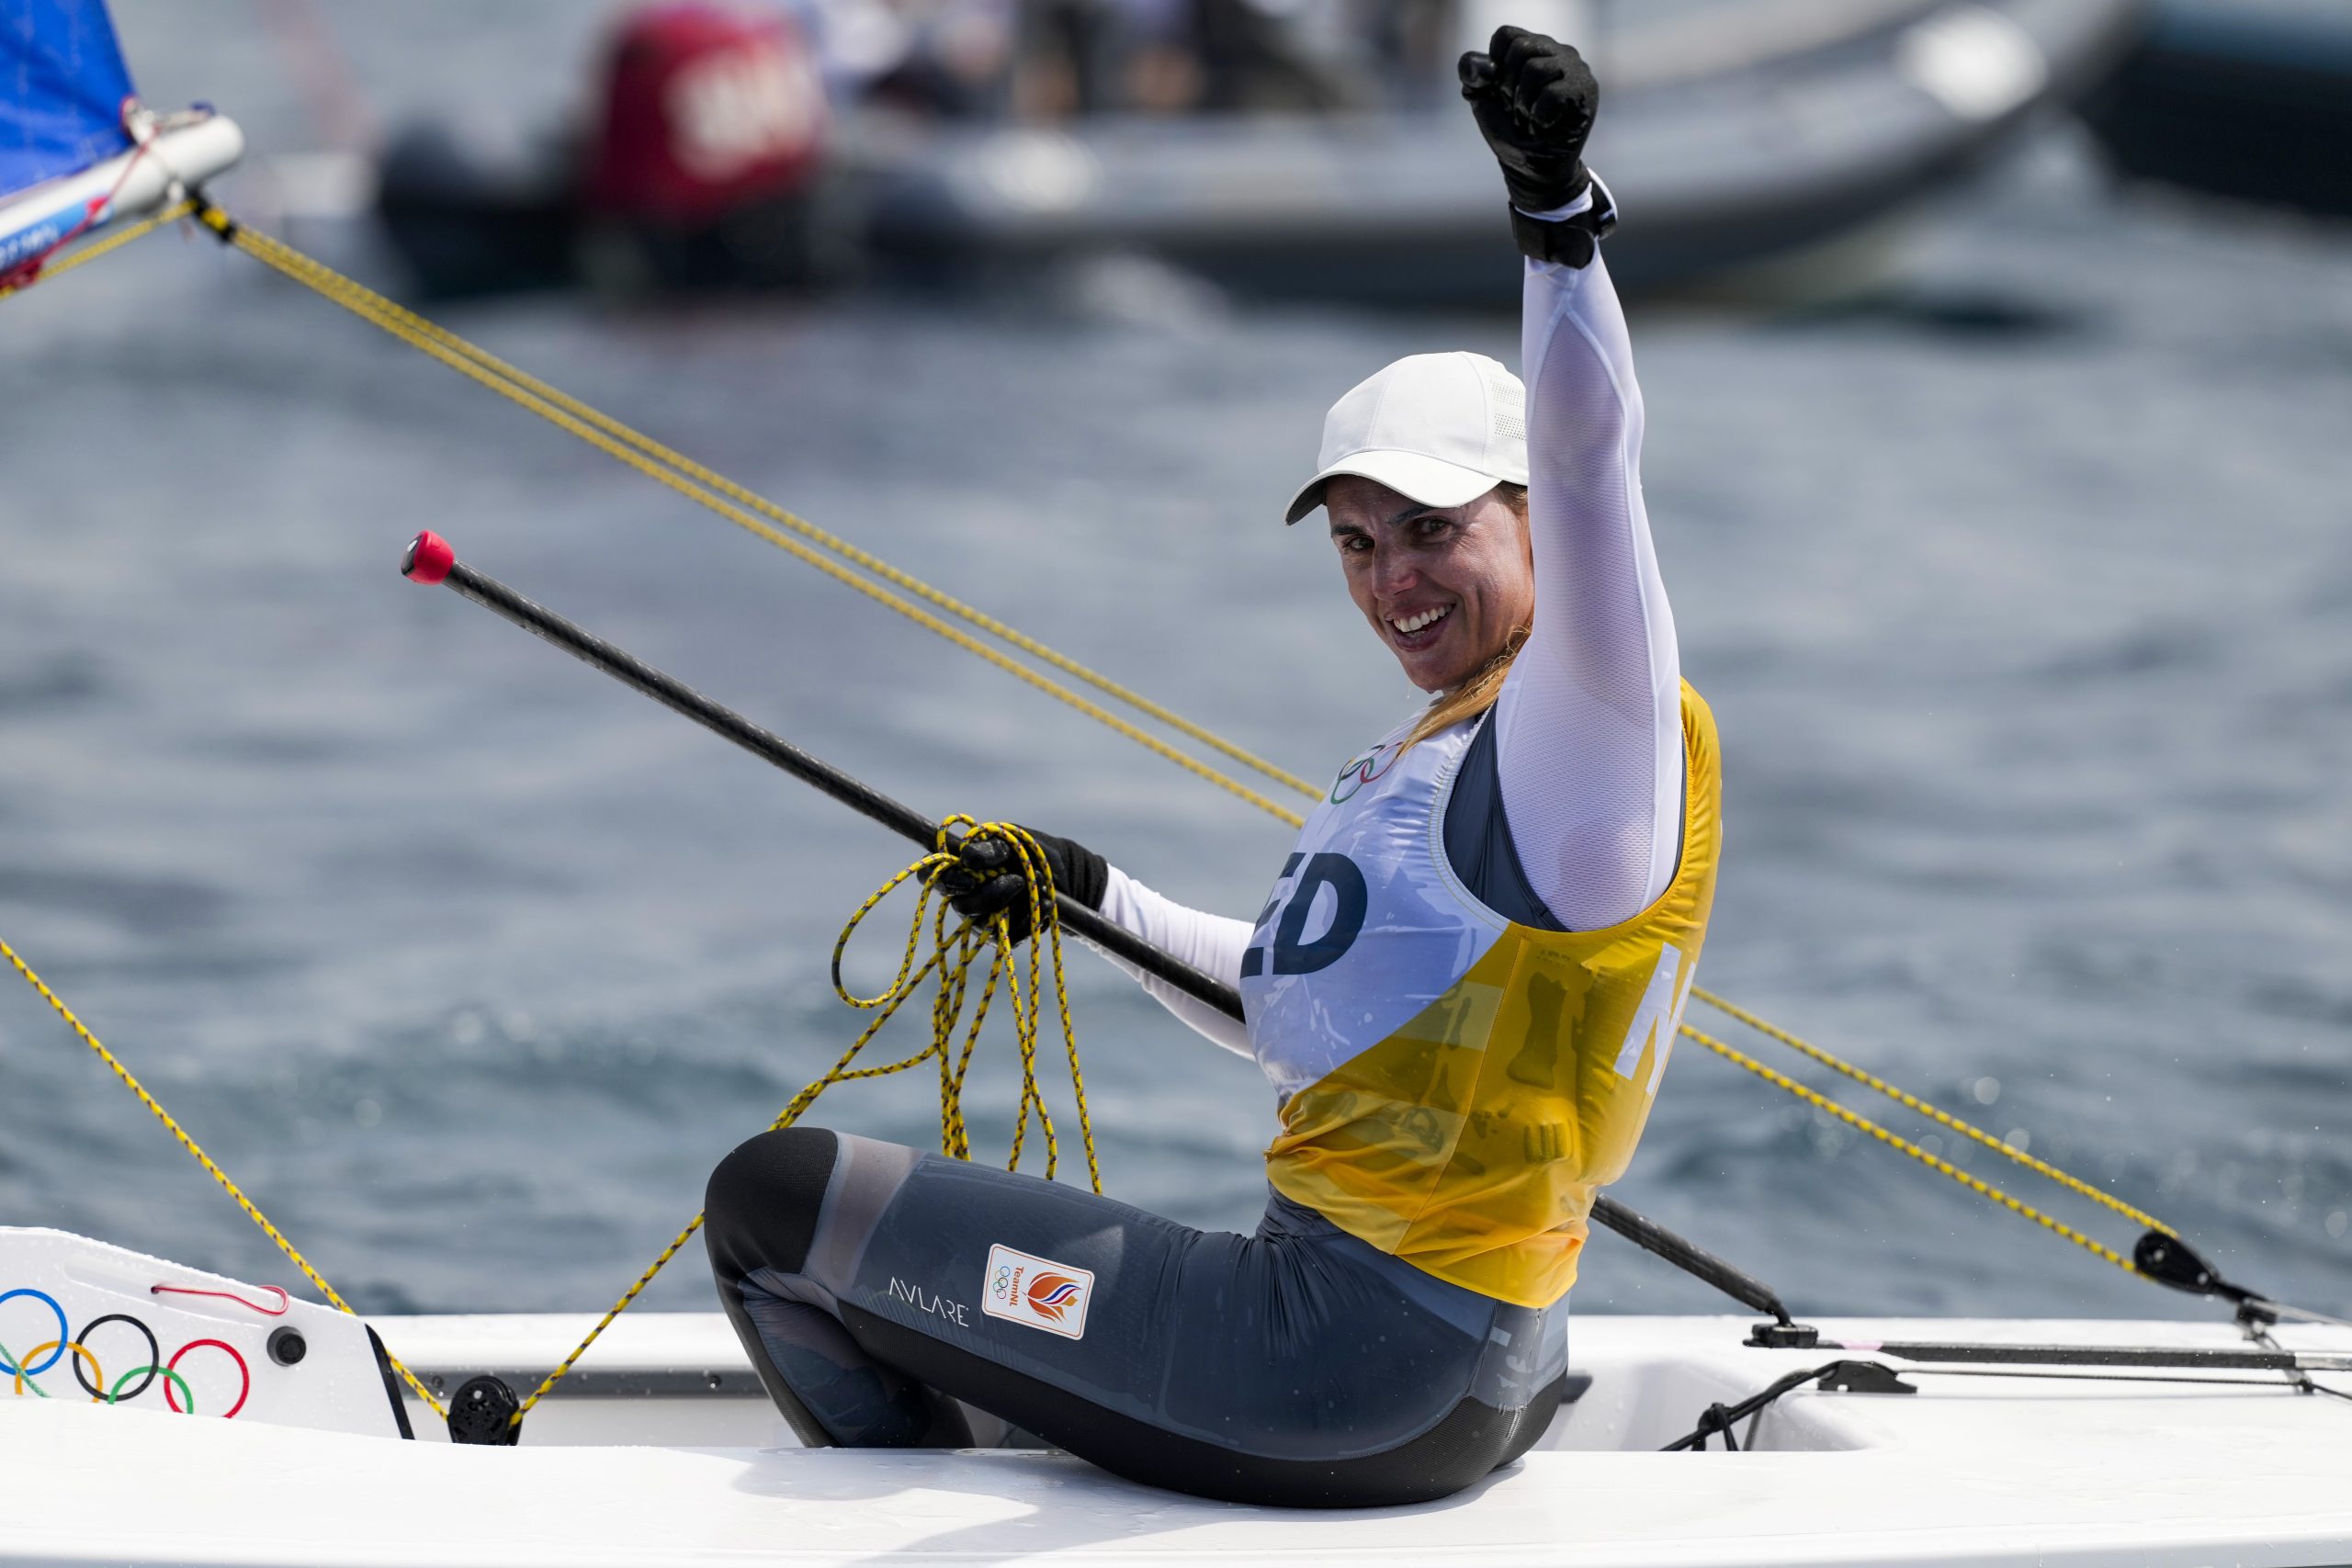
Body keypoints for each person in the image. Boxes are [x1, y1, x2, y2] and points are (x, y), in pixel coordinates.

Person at [702, 25, 1720, 1508]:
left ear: (1529, 527)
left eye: (1434, 530)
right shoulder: (1444, 752)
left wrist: (1556, 224)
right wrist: (1092, 893)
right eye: (1358, 545)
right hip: (1460, 1361)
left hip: (1343, 1364)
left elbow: (1590, 464)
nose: (1392, 583)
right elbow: (1304, 1009)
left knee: (777, 1208)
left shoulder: (1592, 743)